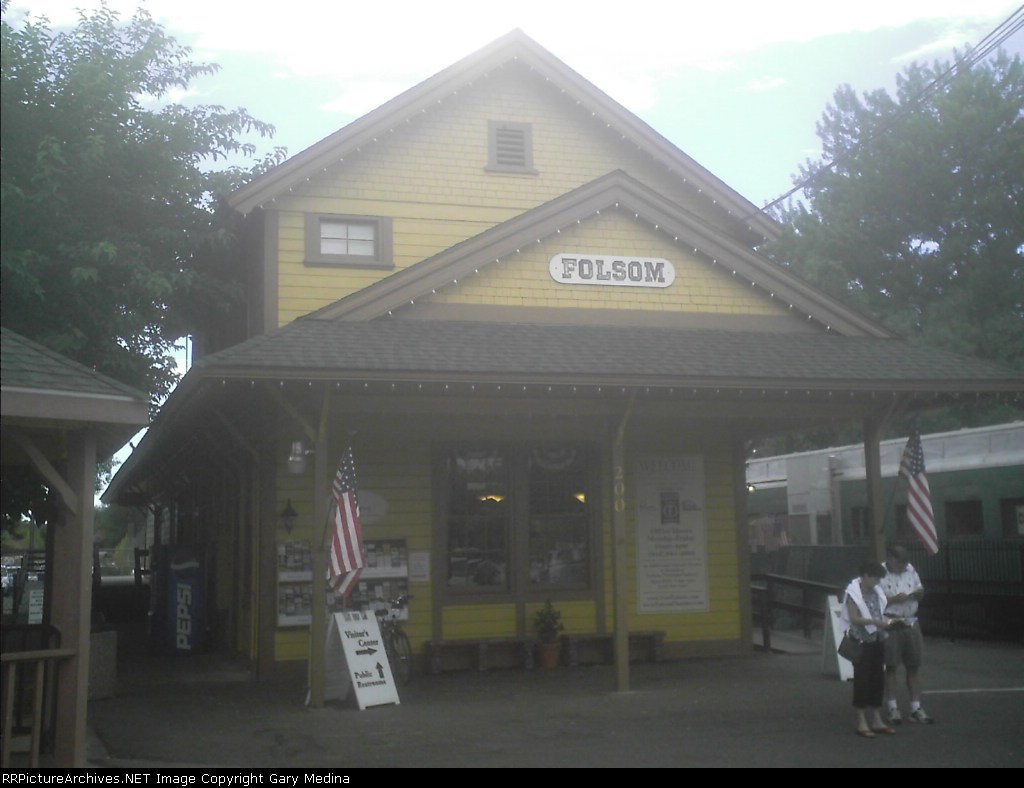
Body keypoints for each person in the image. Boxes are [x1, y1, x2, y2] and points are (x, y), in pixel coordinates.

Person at [881, 544, 934, 724]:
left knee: (913, 665)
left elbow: (920, 590)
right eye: (900, 562)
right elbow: (873, 600)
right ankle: (893, 707)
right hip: (891, 620)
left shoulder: (910, 570)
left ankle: (915, 707)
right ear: (891, 558)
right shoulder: (880, 573)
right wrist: (895, 599)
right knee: (891, 665)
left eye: (905, 563)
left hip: (910, 620)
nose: (904, 566)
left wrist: (916, 594)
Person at [841, 560, 895, 738]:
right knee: (862, 680)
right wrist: (874, 622)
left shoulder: (877, 591)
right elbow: (854, 618)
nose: (877, 581)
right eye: (874, 577)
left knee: (877, 678)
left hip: (878, 638)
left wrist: (886, 621)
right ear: (864, 576)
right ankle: (862, 720)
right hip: (862, 641)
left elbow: (881, 611)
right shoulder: (853, 593)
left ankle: (877, 718)